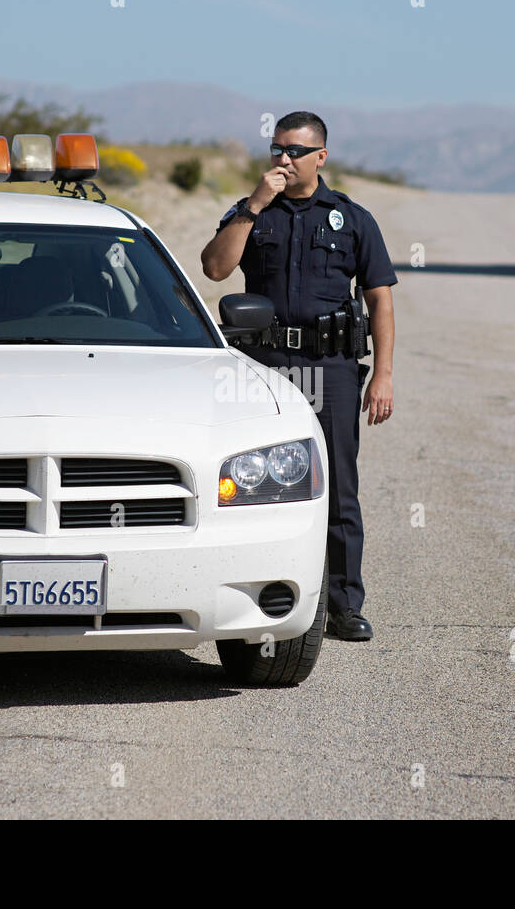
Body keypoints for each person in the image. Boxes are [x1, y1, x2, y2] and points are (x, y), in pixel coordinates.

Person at [200, 111, 396, 641]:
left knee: (337, 486)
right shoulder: (251, 212)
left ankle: (343, 604)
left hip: (330, 367)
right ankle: (245, 596)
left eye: (294, 151)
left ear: (320, 158)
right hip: (262, 365)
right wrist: (254, 205)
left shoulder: (352, 219)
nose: (283, 160)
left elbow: (380, 299)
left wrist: (382, 375)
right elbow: (215, 268)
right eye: (276, 149)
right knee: (245, 480)